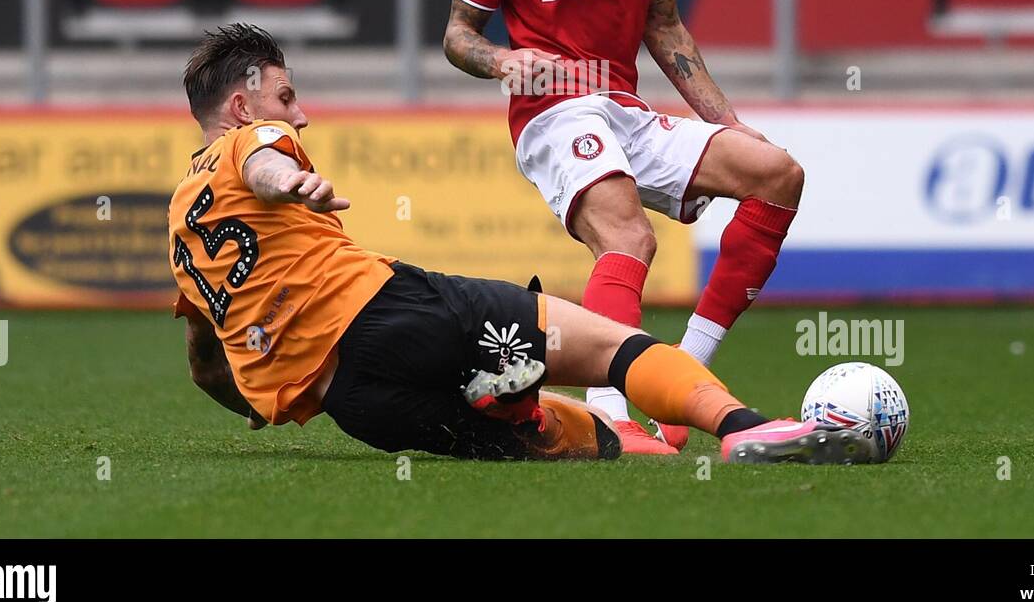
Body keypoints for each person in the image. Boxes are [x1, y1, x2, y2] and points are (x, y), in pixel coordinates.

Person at [167, 24, 869, 465]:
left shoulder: (180, 228)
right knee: (605, 346)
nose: (301, 114)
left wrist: (261, 405)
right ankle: (742, 426)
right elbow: (265, 164)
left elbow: (206, 369)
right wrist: (293, 183)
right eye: (287, 98)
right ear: (243, 104)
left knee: (562, 439)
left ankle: (520, 404)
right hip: (390, 314)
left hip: (359, 407)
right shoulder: (253, 143)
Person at [443, 0, 804, 453]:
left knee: (778, 175)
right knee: (628, 236)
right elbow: (457, 34)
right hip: (551, 111)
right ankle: (610, 415)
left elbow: (664, 25)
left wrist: (730, 126)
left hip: (624, 107)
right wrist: (502, 60)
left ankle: (679, 382)